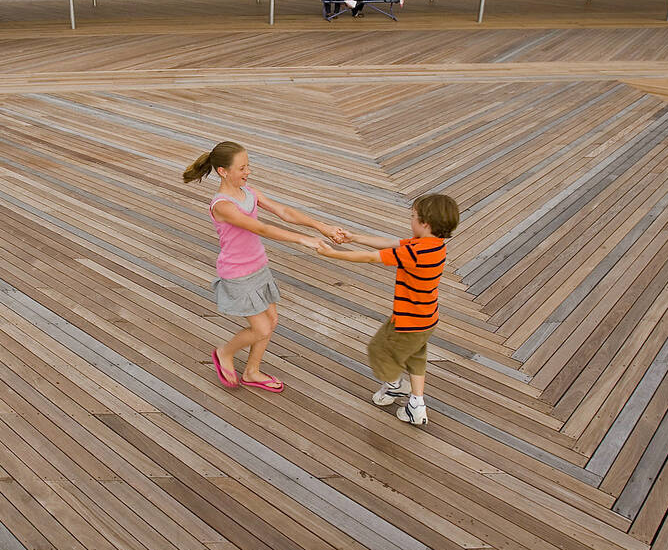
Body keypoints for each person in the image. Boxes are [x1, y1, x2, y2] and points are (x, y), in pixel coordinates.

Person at [184, 141, 339, 393]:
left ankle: (252, 372)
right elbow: (261, 228)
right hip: (237, 274)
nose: (248, 172)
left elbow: (284, 211)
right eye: (242, 168)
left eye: (248, 166)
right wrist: (303, 239)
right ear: (223, 171)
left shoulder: (249, 193)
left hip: (259, 267)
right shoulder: (222, 205)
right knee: (261, 328)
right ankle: (224, 353)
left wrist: (321, 227)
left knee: (271, 321)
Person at [315, 194, 461, 425]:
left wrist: (333, 254)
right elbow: (391, 243)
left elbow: (372, 258)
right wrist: (355, 238)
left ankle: (395, 386)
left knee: (378, 350)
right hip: (426, 318)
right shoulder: (433, 246)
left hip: (408, 320)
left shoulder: (415, 252)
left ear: (425, 224)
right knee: (415, 358)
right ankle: (416, 405)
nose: (410, 220)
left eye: (413, 217)